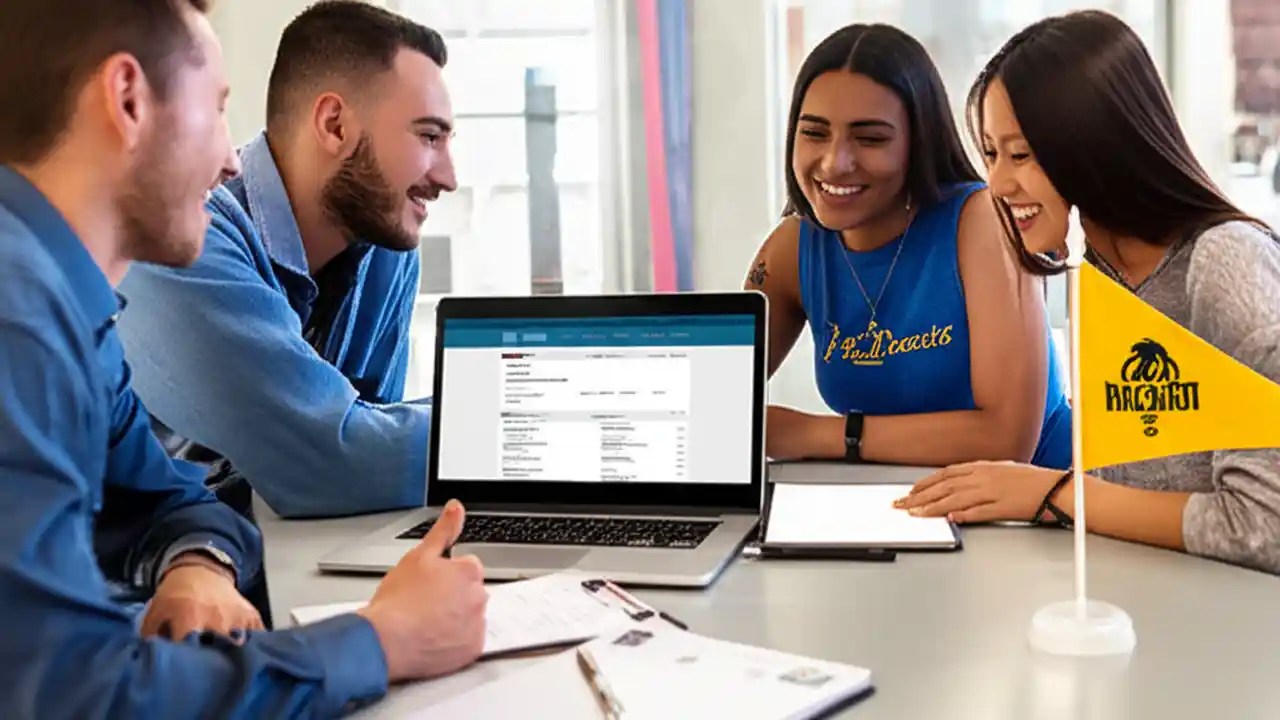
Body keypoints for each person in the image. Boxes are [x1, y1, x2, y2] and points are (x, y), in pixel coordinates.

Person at [0, 1, 487, 716]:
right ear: (128, 100)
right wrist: (380, 642)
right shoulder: (20, 320)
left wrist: (197, 563)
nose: (232, 157)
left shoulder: (71, 310)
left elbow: (169, 498)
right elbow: (78, 693)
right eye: (218, 109)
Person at [898, 10, 1280, 575]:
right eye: (991, 154)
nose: (998, 184)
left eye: (1021, 154)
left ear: (1097, 144)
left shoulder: (1226, 265)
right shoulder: (1098, 274)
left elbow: (1266, 527)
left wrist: (1052, 493)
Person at [116, 0, 456, 519]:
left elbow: (378, 443)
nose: (448, 176)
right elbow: (335, 465)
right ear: (335, 125)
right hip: (164, 582)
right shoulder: (187, 237)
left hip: (264, 560)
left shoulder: (386, 243)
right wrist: (518, 429)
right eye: (428, 137)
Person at [748, 24, 1071, 469]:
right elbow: (712, 401)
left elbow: (1005, 440)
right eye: (815, 133)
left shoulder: (980, 220)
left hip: (1036, 518)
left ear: (919, 142)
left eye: (871, 138)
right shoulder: (791, 249)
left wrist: (811, 433)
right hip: (889, 511)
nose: (834, 163)